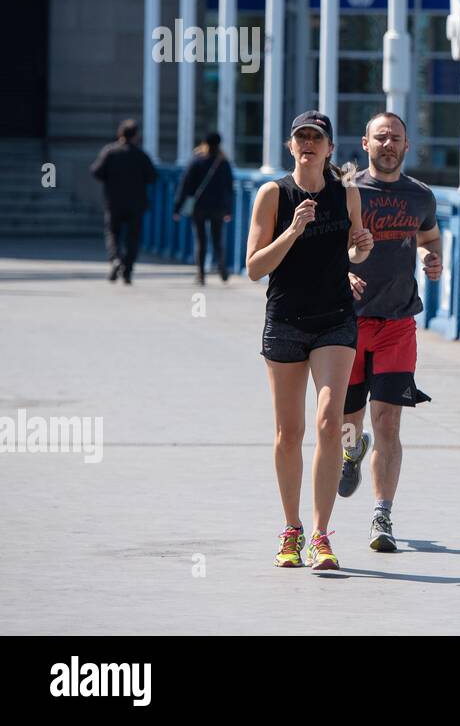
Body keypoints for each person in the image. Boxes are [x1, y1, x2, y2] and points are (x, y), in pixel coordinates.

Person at [246, 111, 374, 571]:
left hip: (335, 320)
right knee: (288, 433)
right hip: (284, 320)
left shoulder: (347, 192)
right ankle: (290, 528)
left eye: (315, 139)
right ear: (290, 146)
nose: (307, 145)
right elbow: (255, 266)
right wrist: (294, 229)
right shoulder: (274, 194)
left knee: (327, 424)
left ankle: (321, 534)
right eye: (300, 138)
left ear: (329, 149)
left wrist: (362, 248)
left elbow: (354, 249)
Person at [336, 111, 441, 553]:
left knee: (389, 422)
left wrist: (433, 259)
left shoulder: (420, 196)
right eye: (380, 137)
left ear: (406, 146)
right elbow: (324, 246)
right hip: (348, 323)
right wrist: (342, 272)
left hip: (398, 323)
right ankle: (349, 450)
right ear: (365, 143)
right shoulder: (347, 190)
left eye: (395, 138)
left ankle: (382, 515)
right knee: (348, 419)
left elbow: (431, 237)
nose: (388, 144)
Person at [90, 118, 158, 285]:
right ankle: (127, 271)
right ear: (135, 136)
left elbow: (96, 172)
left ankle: (115, 260)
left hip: (114, 201)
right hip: (136, 203)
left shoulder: (110, 152)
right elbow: (152, 176)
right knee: (133, 237)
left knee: (112, 233)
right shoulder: (141, 155)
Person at [172, 131, 235, 284]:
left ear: (204, 143)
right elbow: (229, 188)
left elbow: (185, 186)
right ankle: (222, 268)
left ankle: (200, 274)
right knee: (217, 239)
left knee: (200, 240)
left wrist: (177, 207)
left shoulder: (196, 161)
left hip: (199, 206)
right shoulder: (223, 163)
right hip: (218, 207)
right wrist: (228, 209)